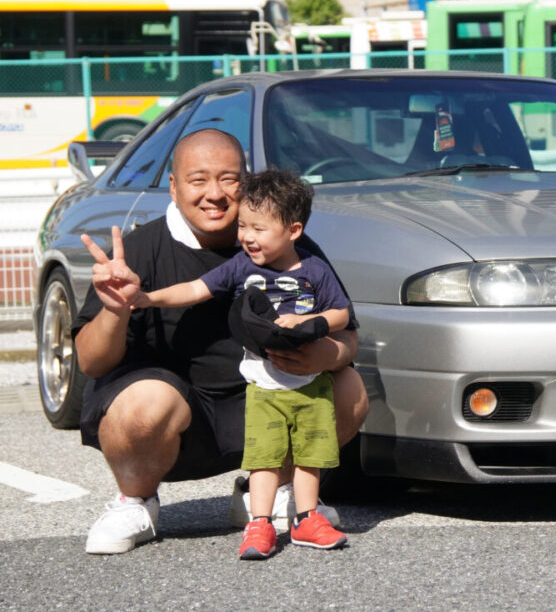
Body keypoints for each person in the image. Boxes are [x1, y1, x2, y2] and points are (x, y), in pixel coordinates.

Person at [73, 128, 368, 555]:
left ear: (246, 185)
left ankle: (266, 494)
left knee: (350, 388)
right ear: (173, 187)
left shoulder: (290, 247)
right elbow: (91, 363)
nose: (215, 193)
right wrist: (121, 306)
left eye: (229, 179)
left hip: (265, 398)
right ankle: (135, 501)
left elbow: (348, 335)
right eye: (198, 180)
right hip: (176, 417)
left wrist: (326, 353)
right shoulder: (141, 248)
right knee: (146, 403)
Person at [132, 169, 350, 559]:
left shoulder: (314, 269)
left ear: (293, 230)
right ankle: (259, 524)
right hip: (264, 387)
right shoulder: (240, 268)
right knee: (265, 461)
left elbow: (341, 314)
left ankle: (306, 519)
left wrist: (308, 323)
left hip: (312, 386)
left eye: (259, 228)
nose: (247, 236)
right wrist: (148, 298)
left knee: (310, 457)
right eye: (243, 226)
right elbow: (195, 290)